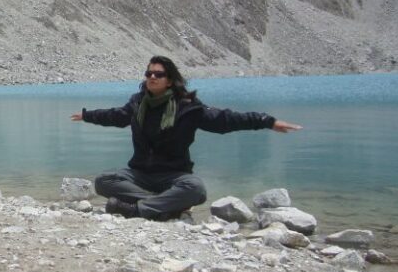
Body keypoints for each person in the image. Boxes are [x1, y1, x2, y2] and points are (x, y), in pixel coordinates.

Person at [71, 56, 301, 221]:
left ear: (169, 80)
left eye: (158, 74)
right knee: (103, 181)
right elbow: (117, 116)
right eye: (149, 73)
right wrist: (88, 115)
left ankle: (138, 209)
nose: (152, 77)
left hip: (174, 175)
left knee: (196, 189)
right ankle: (163, 206)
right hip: (140, 173)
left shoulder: (187, 108)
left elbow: (224, 119)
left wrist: (266, 121)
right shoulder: (137, 103)